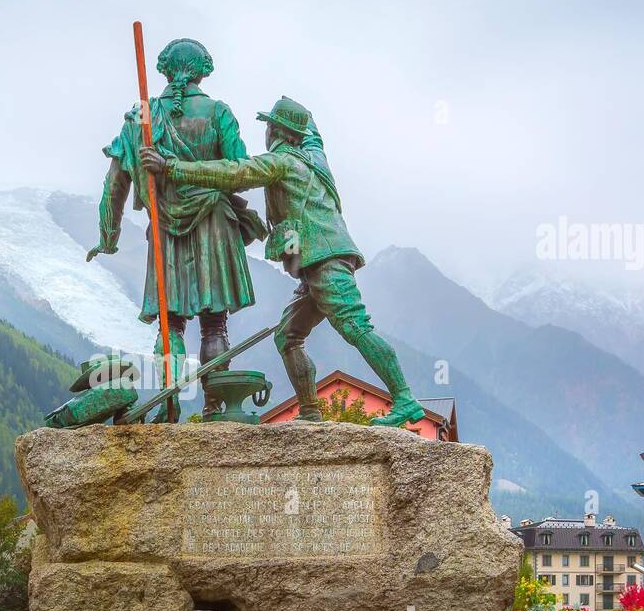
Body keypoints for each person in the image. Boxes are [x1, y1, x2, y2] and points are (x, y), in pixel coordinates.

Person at [139, 96, 425, 427]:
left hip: (325, 260)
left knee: (356, 327)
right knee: (288, 336)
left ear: (275, 131)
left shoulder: (279, 163)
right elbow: (311, 129)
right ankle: (310, 410)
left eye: (269, 126)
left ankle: (404, 398)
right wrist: (297, 119)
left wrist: (171, 167)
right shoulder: (316, 156)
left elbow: (232, 172)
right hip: (320, 265)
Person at [89, 37, 265, 419]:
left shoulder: (141, 119)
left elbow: (114, 186)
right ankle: (215, 405)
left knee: (171, 324)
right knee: (214, 320)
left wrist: (108, 237)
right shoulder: (219, 113)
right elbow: (240, 173)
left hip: (165, 226)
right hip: (216, 224)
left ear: (165, 69)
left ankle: (170, 401)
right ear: (203, 71)